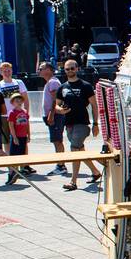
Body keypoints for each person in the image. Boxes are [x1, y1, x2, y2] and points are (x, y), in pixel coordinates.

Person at [56, 59, 100, 191]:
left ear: (77, 69)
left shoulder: (85, 86)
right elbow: (56, 105)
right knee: (79, 150)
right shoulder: (62, 87)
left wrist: (95, 123)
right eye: (67, 69)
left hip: (82, 123)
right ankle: (96, 172)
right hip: (68, 124)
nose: (70, 71)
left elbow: (94, 105)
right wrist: (60, 110)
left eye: (72, 68)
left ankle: (73, 181)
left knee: (74, 149)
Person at [38, 61, 67, 176]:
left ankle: (61, 165)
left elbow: (56, 100)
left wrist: (51, 114)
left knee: (57, 141)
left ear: (49, 70)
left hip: (55, 116)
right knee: (56, 141)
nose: (39, 70)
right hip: (53, 115)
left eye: (41, 68)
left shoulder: (53, 82)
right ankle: (60, 164)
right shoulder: (50, 82)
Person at [5, 93, 30, 186]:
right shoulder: (12, 113)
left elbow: (27, 124)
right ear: (12, 103)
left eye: (20, 100)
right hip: (16, 137)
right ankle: (12, 173)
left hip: (23, 136)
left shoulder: (25, 112)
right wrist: (14, 137)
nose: (19, 102)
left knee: (22, 154)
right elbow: (11, 126)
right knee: (14, 155)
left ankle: (20, 170)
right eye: (16, 101)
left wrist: (29, 135)